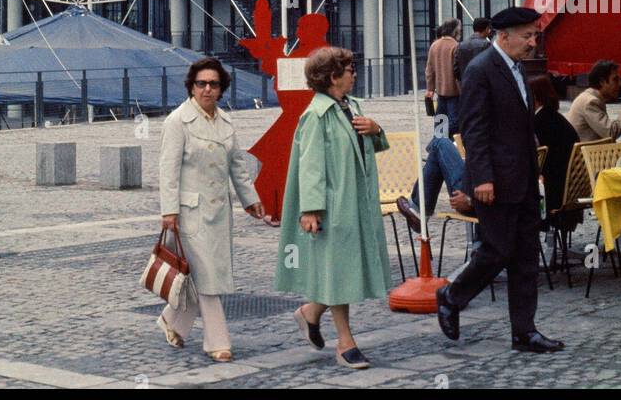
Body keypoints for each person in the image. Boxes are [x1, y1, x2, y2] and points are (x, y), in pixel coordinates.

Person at [435, 7, 565, 355]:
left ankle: (524, 331)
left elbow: (521, 125)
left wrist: (533, 163)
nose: (533, 42)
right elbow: (474, 129)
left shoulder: (519, 69)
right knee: (496, 250)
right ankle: (451, 295)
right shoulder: (480, 70)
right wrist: (483, 179)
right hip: (493, 180)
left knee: (525, 256)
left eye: (535, 35)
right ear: (502, 36)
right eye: (527, 36)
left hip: (521, 179)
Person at [276, 46, 390, 370]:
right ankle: (345, 342)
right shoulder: (316, 115)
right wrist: (311, 209)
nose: (354, 73)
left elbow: (369, 148)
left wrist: (377, 130)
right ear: (332, 77)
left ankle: (311, 313)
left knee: (347, 267)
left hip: (357, 201)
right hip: (333, 206)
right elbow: (309, 166)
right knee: (341, 270)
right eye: (349, 69)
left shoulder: (352, 106)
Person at [158, 57, 265, 362]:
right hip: (190, 212)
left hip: (220, 214)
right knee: (207, 278)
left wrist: (251, 199)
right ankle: (217, 342)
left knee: (204, 274)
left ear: (221, 89)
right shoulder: (178, 121)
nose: (207, 89)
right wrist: (169, 212)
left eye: (213, 84)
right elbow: (168, 170)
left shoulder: (226, 122)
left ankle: (171, 320)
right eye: (201, 83)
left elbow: (237, 167)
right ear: (191, 87)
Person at [395, 134, 473, 234]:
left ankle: (418, 208)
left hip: (474, 200)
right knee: (439, 144)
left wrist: (470, 199)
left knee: (440, 143)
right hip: (474, 191)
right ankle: (418, 209)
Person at [529, 74, 578, 220]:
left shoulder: (540, 121)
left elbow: (540, 158)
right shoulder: (556, 117)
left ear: (534, 97)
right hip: (571, 185)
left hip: (553, 188)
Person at [567, 60, 621, 142]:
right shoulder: (590, 102)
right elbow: (610, 133)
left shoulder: (592, 97)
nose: (620, 84)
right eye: (615, 80)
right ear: (602, 82)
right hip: (586, 154)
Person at [425, 19, 461, 135]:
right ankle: (446, 143)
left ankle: (439, 140)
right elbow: (458, 71)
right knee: (455, 122)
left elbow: (429, 70)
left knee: (440, 119)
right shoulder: (455, 46)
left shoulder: (434, 45)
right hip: (454, 92)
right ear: (455, 31)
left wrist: (430, 88)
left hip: (440, 92)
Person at [453, 17, 492, 86]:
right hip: (481, 86)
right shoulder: (486, 45)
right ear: (486, 29)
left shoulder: (461, 45)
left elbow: (456, 69)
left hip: (465, 85)